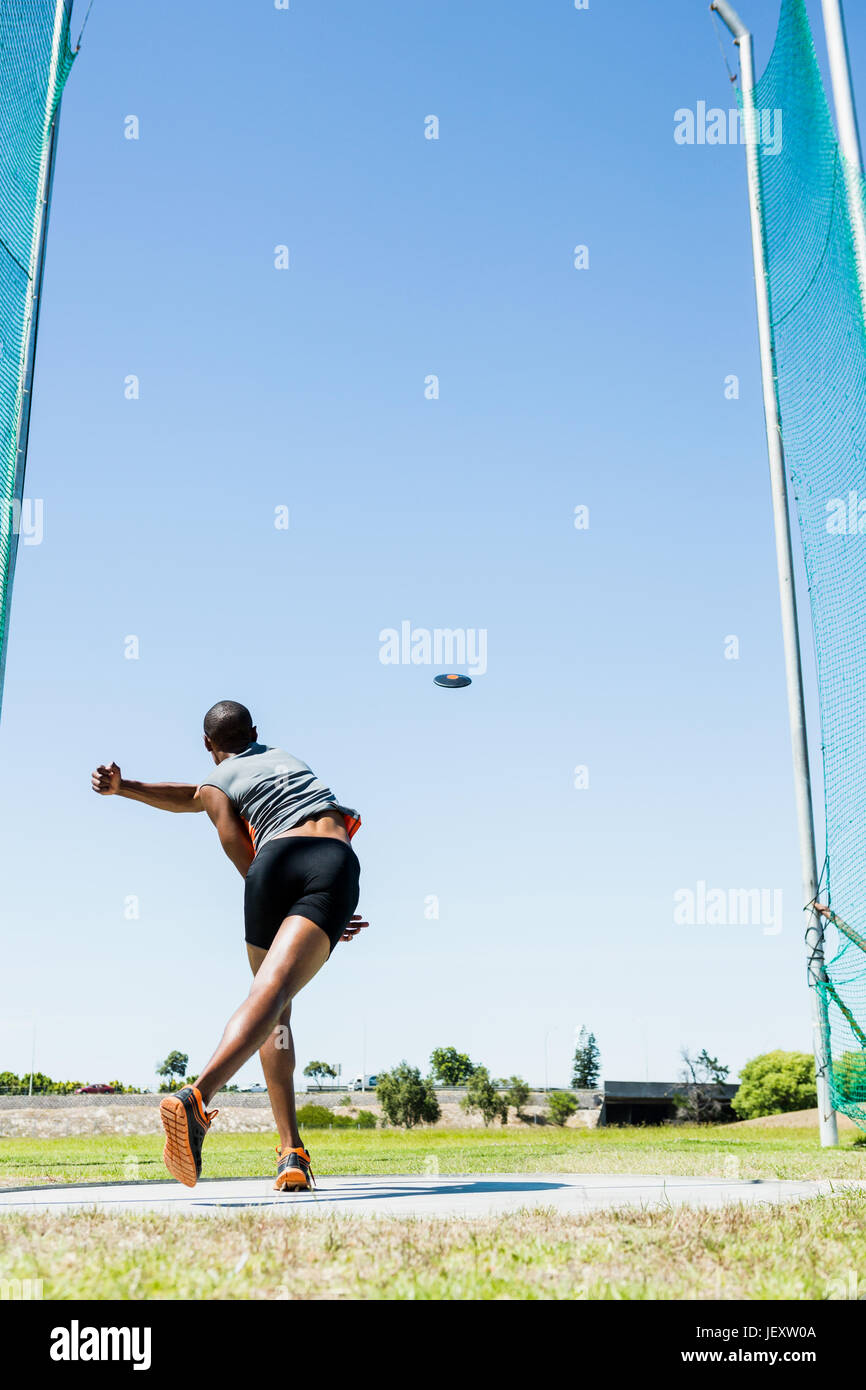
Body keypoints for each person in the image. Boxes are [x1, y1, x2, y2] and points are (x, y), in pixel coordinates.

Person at [91, 700, 367, 1192]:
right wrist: (324, 909)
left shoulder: (219, 783)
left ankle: (282, 1147)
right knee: (276, 999)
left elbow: (215, 818)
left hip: (272, 864)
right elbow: (197, 794)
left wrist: (123, 787)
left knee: (271, 1002)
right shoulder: (289, 758)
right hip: (331, 858)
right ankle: (257, 1134)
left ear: (207, 745)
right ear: (256, 732)